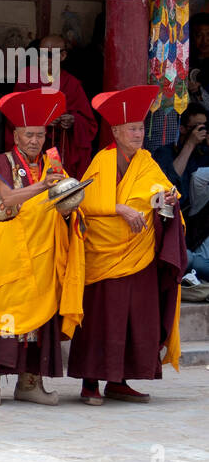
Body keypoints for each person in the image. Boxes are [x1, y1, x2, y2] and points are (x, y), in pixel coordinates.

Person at [68, 85, 187, 403]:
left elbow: (164, 192)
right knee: (101, 319)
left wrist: (167, 198)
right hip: (104, 254)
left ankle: (119, 380)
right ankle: (90, 382)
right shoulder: (102, 161)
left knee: (137, 318)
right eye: (133, 129)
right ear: (117, 131)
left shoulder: (146, 161)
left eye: (141, 128)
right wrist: (118, 208)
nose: (139, 134)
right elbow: (83, 202)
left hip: (139, 253)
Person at [0, 88, 85, 406]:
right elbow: (7, 200)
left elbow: (65, 206)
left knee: (40, 322)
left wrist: (71, 202)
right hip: (9, 255)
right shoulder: (0, 163)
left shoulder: (54, 167)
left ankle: (29, 383)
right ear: (16, 136)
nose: (35, 141)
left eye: (40, 135)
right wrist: (42, 187)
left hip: (45, 254)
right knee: (5, 319)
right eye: (29, 135)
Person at [9, 35, 98, 181]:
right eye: (40, 54)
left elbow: (89, 124)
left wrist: (73, 120)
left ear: (63, 56)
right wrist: (40, 120)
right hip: (31, 147)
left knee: (56, 182)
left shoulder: (71, 84)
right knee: (30, 186)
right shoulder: (26, 80)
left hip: (56, 150)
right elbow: (13, 116)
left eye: (50, 55)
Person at [152, 102, 209, 205]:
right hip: (177, 212)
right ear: (182, 128)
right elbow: (169, 183)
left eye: (204, 126)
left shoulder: (203, 151)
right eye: (197, 126)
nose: (202, 131)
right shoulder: (164, 152)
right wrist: (190, 144)